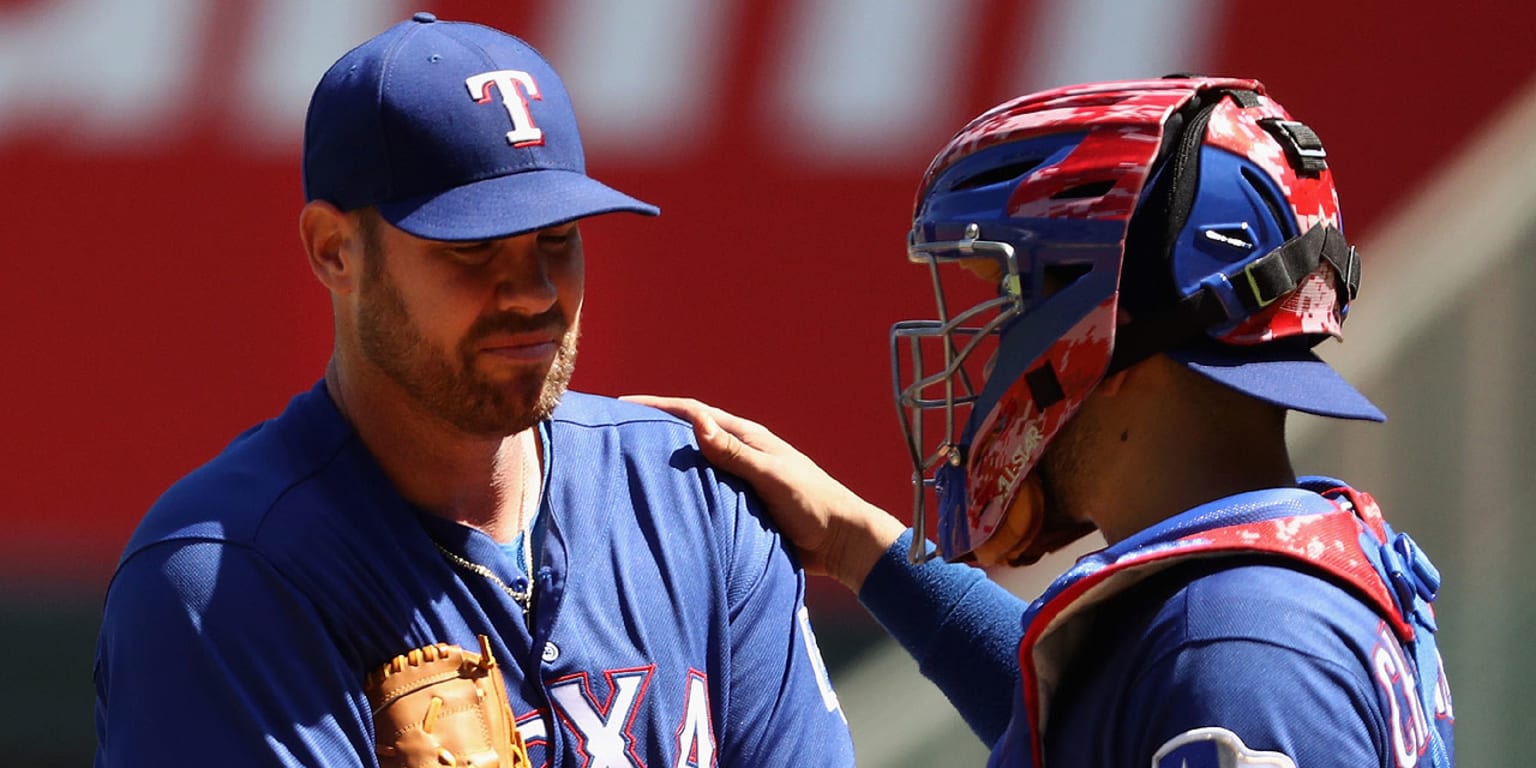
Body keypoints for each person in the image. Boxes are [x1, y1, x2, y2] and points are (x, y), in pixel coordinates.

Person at [93, 13, 853, 767]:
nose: (530, 291)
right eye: (473, 246)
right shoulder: (226, 578)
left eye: (558, 239)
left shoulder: (694, 500)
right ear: (334, 251)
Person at [633, 76, 1454, 767]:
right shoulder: (1251, 604)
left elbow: (1180, 688)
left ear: (1116, 327)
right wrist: (859, 548)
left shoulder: (1237, 656)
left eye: (1020, 301)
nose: (991, 351)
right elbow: (1096, 724)